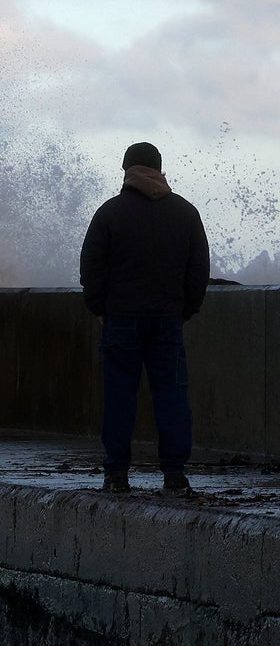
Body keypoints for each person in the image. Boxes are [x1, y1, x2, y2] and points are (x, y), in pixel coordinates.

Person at [79, 142, 209, 493]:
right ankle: (175, 476)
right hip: (167, 320)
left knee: (120, 396)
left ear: (126, 170)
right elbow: (198, 270)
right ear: (159, 170)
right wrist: (184, 311)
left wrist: (99, 308)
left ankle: (117, 475)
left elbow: (91, 267)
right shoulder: (185, 212)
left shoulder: (110, 212)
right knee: (172, 396)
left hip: (121, 319)